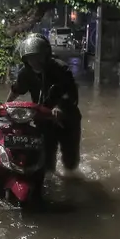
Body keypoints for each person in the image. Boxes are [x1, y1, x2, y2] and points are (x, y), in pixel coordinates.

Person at [8, 33, 81, 170]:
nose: (34, 61)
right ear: (25, 59)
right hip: (44, 119)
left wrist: (60, 107)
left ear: (46, 55)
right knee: (46, 162)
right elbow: (16, 90)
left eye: (38, 57)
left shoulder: (61, 69)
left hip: (67, 119)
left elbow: (72, 94)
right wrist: (4, 106)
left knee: (70, 163)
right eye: (30, 58)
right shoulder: (26, 73)